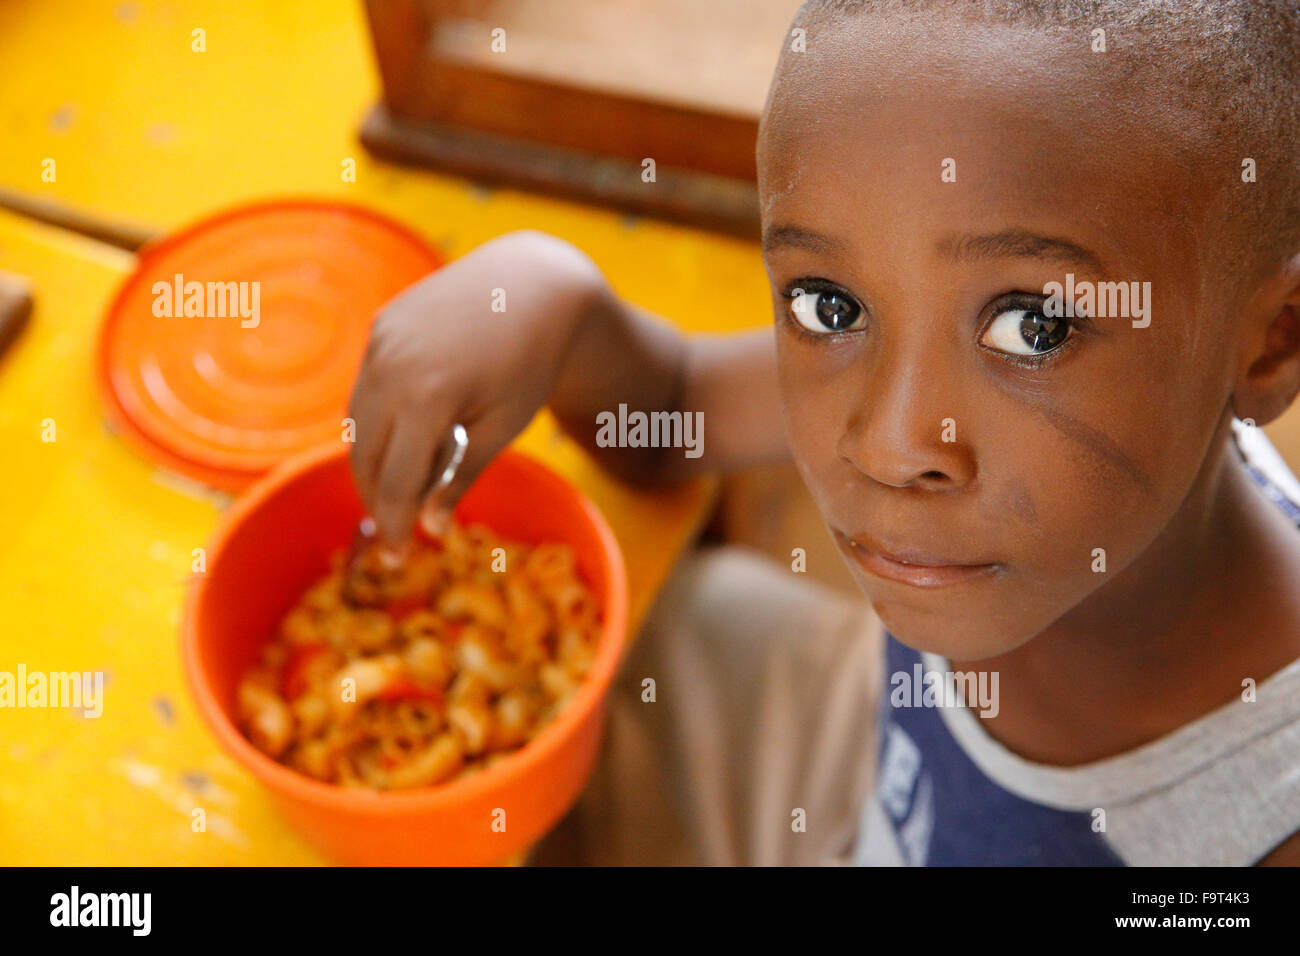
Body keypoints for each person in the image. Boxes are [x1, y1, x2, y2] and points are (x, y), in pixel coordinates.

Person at [346, 0, 1300, 865]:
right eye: (830, 304)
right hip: (860, 769)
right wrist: (552, 299)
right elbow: (667, 409)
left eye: (1031, 328)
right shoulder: (1006, 517)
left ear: (1271, 345)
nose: (889, 445)